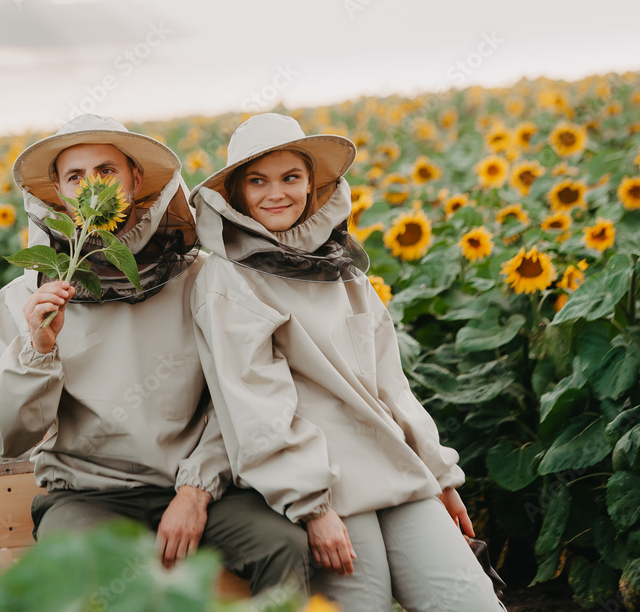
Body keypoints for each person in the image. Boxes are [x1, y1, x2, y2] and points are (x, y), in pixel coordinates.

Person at [0, 114, 311, 595]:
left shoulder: (199, 279)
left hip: (199, 486)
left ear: (136, 179)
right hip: (86, 496)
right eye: (75, 177)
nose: (92, 188)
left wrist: (196, 490)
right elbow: (2, 436)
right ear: (59, 195)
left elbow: (235, 395)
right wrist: (37, 349)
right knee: (80, 581)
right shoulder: (24, 298)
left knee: (284, 545)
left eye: (106, 172)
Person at [188, 113, 504, 611]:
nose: (276, 193)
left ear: (312, 184)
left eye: (291, 178)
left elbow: (391, 385)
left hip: (393, 467)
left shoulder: (341, 267)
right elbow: (254, 404)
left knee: (470, 602)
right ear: (236, 193)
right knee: (363, 602)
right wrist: (313, 509)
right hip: (324, 481)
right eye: (258, 181)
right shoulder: (227, 279)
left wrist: (439, 475)